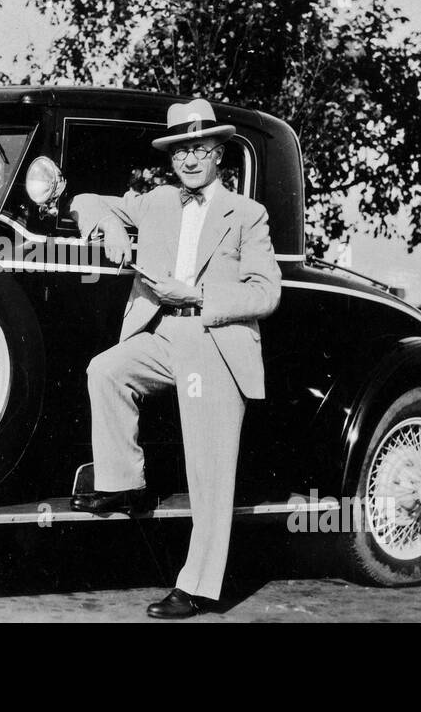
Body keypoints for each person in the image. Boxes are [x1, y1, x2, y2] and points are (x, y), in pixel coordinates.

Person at [68, 98, 283, 619]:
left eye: (200, 149)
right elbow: (85, 200)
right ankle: (125, 485)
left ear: (219, 155)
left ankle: (199, 587)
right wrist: (107, 229)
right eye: (180, 150)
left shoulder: (247, 214)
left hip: (214, 343)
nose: (189, 159)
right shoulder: (158, 201)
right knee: (107, 370)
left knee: (209, 470)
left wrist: (200, 295)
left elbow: (267, 292)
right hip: (164, 337)